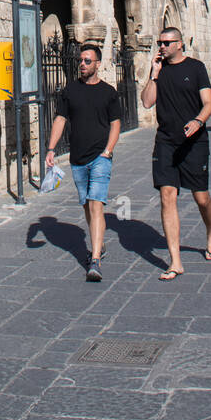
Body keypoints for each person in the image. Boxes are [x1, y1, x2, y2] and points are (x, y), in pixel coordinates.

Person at [141, 26, 211, 280]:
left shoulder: (196, 68)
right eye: (159, 42)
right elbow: (146, 102)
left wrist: (197, 121)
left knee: (201, 198)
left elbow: (209, 103)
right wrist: (153, 74)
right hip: (166, 141)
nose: (161, 46)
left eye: (166, 42)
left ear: (179, 44)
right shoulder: (159, 71)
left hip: (194, 142)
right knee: (167, 195)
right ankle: (175, 261)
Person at [45, 43, 121, 282]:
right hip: (77, 158)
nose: (82, 64)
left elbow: (116, 123)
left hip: (100, 157)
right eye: (80, 60)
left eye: (88, 61)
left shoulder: (109, 92)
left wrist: (108, 151)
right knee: (87, 206)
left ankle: (95, 259)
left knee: (96, 204)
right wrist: (50, 148)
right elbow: (60, 119)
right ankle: (100, 242)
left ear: (98, 64)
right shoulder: (70, 91)